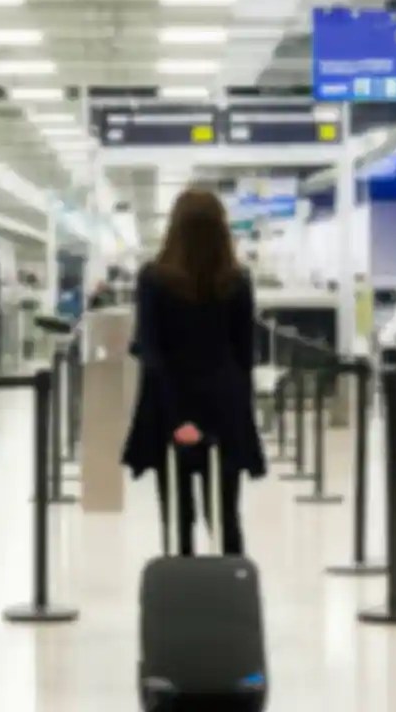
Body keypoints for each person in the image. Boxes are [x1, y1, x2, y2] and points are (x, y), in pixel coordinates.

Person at [123, 188, 266, 557]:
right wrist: (235, 418)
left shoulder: (153, 279)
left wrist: (177, 418)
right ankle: (232, 595)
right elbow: (245, 354)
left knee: (176, 516)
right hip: (225, 408)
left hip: (168, 407)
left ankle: (180, 600)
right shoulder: (237, 281)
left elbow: (151, 353)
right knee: (225, 516)